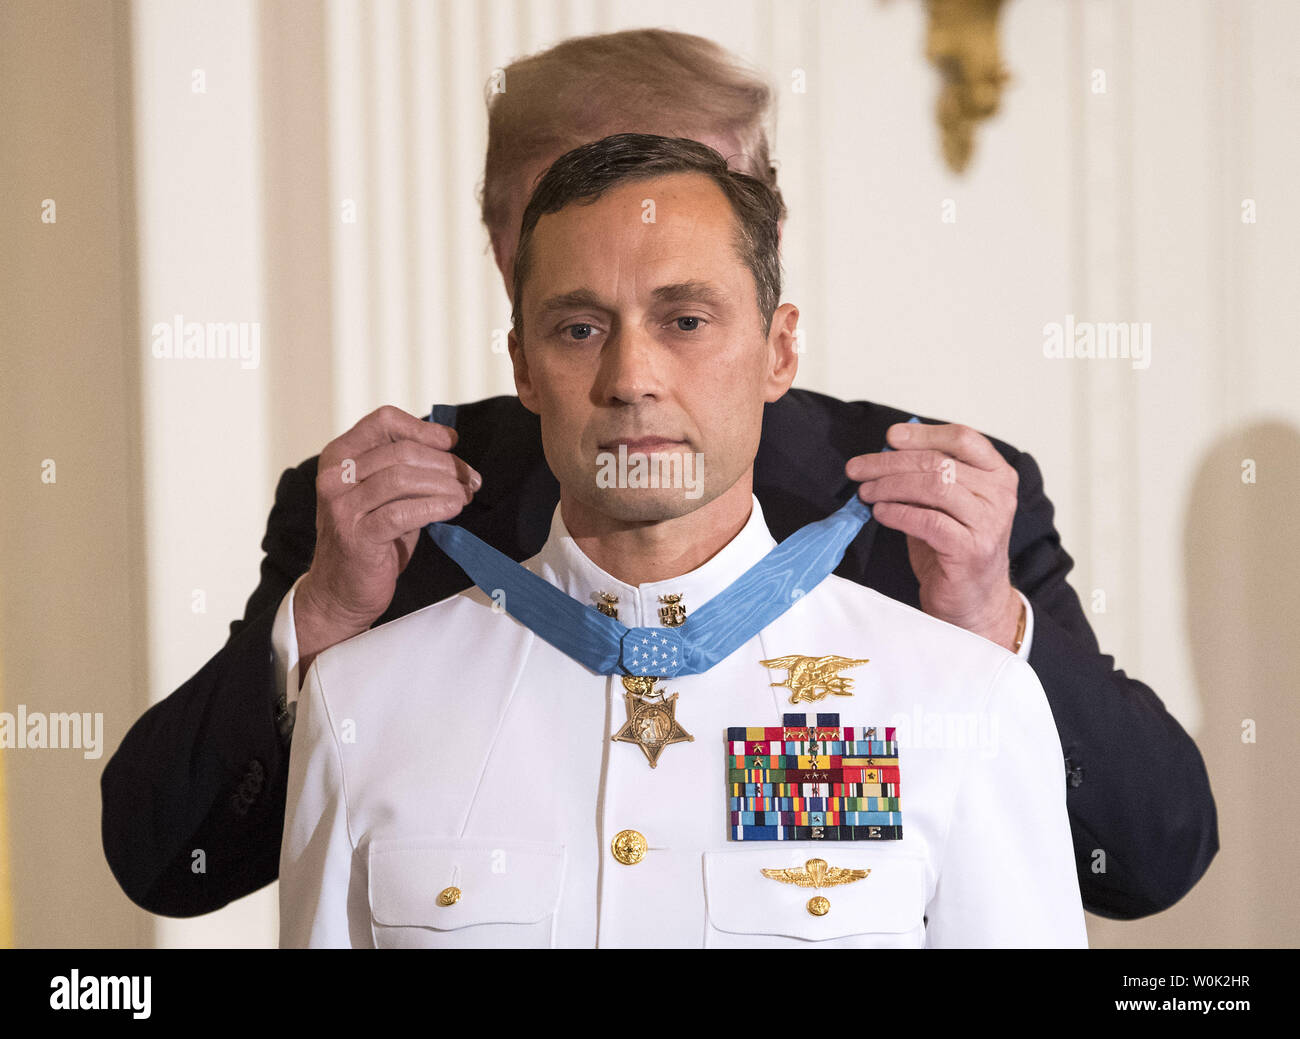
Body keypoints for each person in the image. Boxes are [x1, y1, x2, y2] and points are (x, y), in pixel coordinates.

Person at [101, 28, 1215, 924]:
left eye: (684, 201)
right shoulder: (382, 512)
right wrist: (325, 618)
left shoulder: (922, 500)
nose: (635, 367)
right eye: (583, 208)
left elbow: (1150, 858)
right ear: (510, 252)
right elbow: (168, 862)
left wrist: (988, 623)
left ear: (766, 248)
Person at [279, 132, 1088, 948]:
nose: (631, 377)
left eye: (686, 319)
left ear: (780, 351)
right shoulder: (361, 701)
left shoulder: (959, 699)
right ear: (523, 365)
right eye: (580, 329)